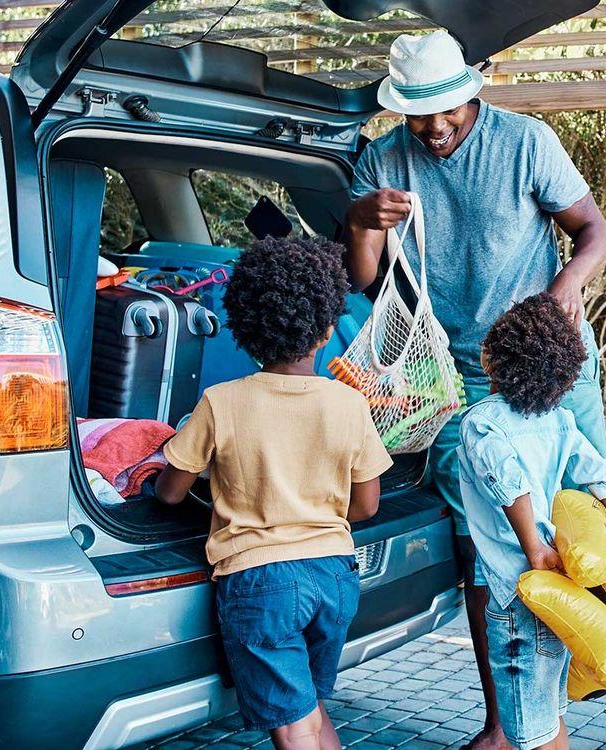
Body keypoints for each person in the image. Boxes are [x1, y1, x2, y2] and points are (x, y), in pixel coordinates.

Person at [343, 32, 606, 749]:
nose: (435, 127)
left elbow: (593, 231)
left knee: (594, 520)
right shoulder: (383, 160)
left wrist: (565, 290)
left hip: (551, 361)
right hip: (454, 374)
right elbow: (367, 280)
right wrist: (363, 221)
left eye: (446, 110)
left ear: (471, 90)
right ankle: (505, 723)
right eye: (418, 113)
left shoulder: (525, 143)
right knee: (487, 549)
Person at [154, 236, 393, 750]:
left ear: (246, 330)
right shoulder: (350, 404)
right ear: (327, 329)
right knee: (308, 707)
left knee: (293, 726)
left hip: (261, 582)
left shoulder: (220, 402)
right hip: (334, 577)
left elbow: (170, 492)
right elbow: (367, 504)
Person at [456, 293, 606, 750]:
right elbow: (601, 475)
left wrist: (534, 549)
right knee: (549, 716)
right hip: (561, 589)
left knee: (532, 731)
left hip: (519, 595)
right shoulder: (559, 421)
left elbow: (509, 482)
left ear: (490, 358)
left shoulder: (482, 422)